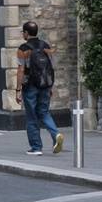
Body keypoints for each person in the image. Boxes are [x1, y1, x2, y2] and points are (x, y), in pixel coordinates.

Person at [16, 20, 63, 156]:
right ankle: (56, 134)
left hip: (30, 86)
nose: (22, 34)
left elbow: (21, 69)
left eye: (23, 32)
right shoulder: (45, 46)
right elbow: (51, 67)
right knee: (44, 112)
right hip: (45, 85)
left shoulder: (23, 49)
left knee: (31, 117)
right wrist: (50, 86)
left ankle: (36, 148)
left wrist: (18, 90)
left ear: (26, 33)